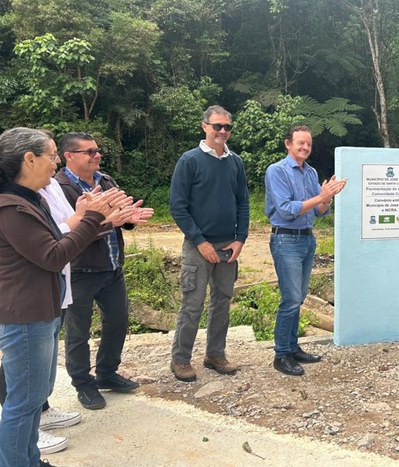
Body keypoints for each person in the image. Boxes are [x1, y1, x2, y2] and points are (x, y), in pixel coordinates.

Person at [0, 127, 125, 467]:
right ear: (29, 159)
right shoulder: (12, 209)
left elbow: (61, 235)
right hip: (25, 315)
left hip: (40, 307)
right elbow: (54, 255)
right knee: (22, 403)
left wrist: (97, 219)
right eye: (51, 155)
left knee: (31, 398)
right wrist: (94, 217)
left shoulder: (30, 199)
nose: (55, 163)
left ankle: (30, 459)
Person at [55, 132, 153, 410]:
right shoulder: (60, 188)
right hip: (80, 270)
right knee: (78, 331)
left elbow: (120, 216)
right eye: (89, 152)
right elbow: (68, 230)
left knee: (118, 322)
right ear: (69, 156)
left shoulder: (105, 180)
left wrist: (129, 220)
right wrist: (110, 222)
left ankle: (107, 372)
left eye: (97, 150)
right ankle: (83, 383)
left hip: (112, 267)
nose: (96, 155)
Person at [169, 105, 250, 382]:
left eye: (227, 127)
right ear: (204, 126)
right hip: (198, 246)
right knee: (193, 304)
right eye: (217, 126)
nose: (223, 132)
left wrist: (240, 239)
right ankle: (180, 360)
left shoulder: (235, 162)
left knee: (222, 302)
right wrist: (200, 241)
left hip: (229, 245)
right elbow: (178, 207)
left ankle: (215, 354)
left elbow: (243, 203)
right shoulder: (189, 161)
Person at [265, 125, 346, 376]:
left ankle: (293, 347)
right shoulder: (276, 171)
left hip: (307, 239)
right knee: (290, 299)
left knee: (298, 298)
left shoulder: (310, 172)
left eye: (308, 144)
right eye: (300, 143)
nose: (305, 147)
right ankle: (281, 355)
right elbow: (287, 209)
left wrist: (328, 196)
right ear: (288, 144)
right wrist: (320, 196)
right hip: (285, 240)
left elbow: (319, 211)